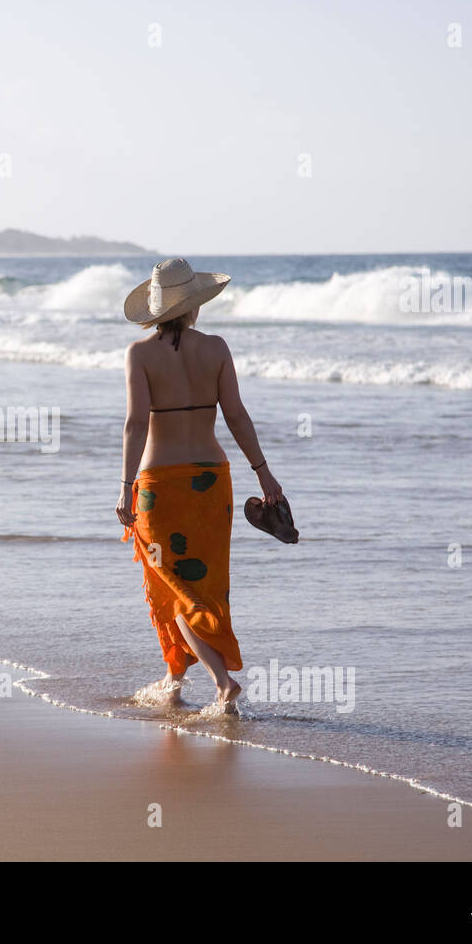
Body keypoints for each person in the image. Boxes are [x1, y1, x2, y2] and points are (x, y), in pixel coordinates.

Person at [115, 258, 284, 712]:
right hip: (212, 483)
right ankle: (173, 680)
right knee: (200, 587)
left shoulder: (139, 354)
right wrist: (263, 472)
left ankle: (222, 682)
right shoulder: (216, 348)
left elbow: (135, 425)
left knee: (173, 588)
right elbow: (237, 416)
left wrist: (125, 485)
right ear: (193, 306)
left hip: (158, 488)